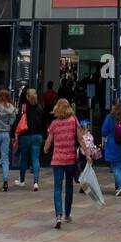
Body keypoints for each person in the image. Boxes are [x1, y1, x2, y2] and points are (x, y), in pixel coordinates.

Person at [43, 98, 79, 229]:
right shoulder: (74, 121)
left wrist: (46, 149)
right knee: (69, 186)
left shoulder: (54, 124)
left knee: (57, 187)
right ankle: (67, 214)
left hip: (57, 160)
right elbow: (80, 138)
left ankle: (58, 214)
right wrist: (86, 153)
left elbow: (49, 141)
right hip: (70, 160)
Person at [15, 86, 47, 191]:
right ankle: (36, 182)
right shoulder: (40, 108)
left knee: (24, 157)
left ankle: (22, 180)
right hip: (37, 136)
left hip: (25, 135)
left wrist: (15, 134)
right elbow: (44, 124)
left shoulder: (24, 107)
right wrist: (44, 136)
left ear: (27, 97)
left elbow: (18, 120)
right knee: (35, 159)